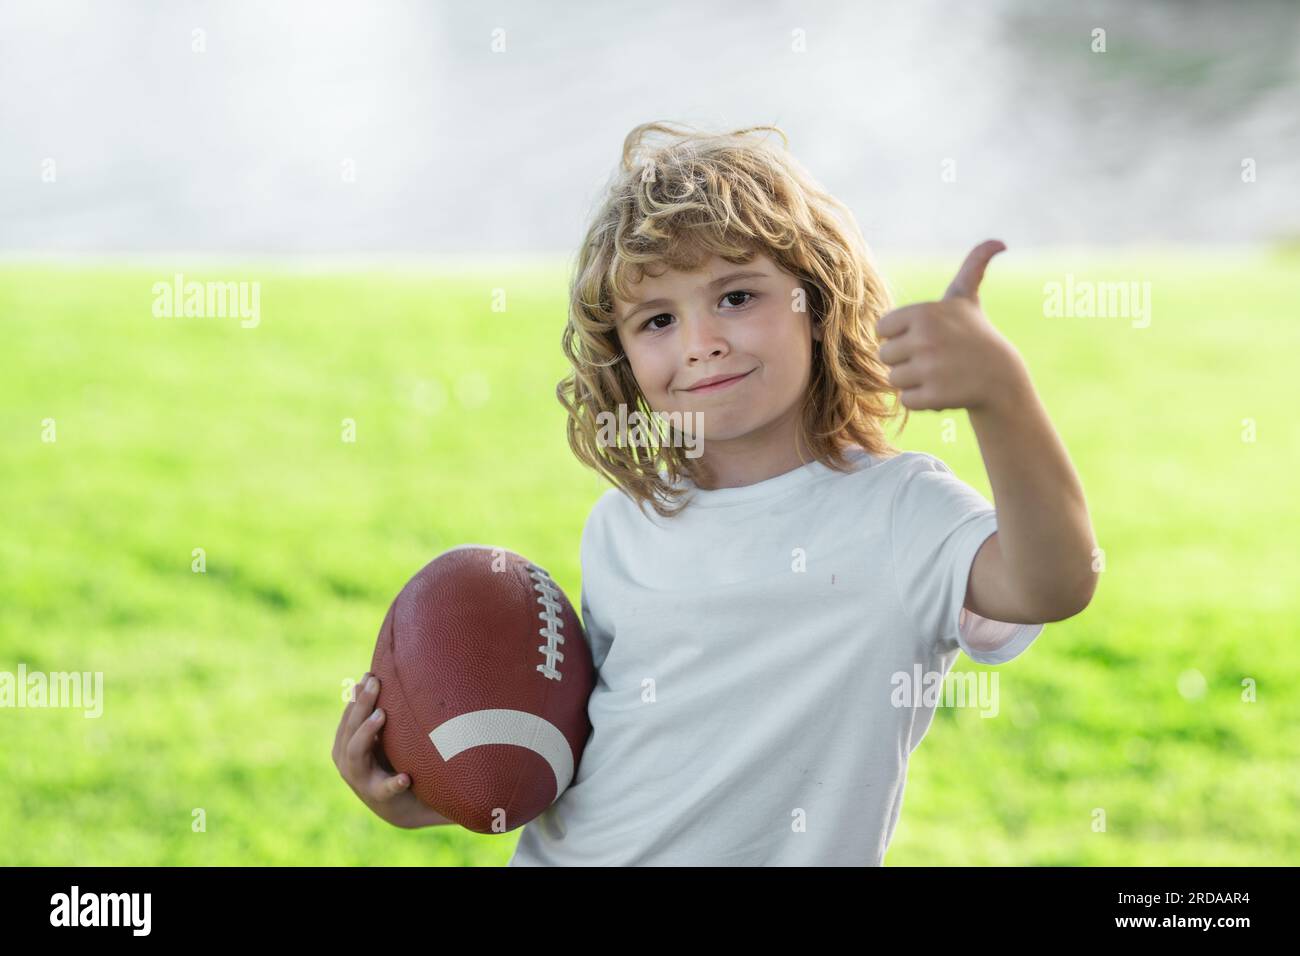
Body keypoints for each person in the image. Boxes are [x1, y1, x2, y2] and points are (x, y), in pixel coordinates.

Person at [336, 120, 1098, 865]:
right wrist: (450, 789)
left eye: (736, 297)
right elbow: (616, 742)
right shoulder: (624, 523)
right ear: (622, 359)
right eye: (658, 319)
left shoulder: (900, 514)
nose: (701, 341)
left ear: (819, 301)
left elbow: (1055, 582)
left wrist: (1001, 396)